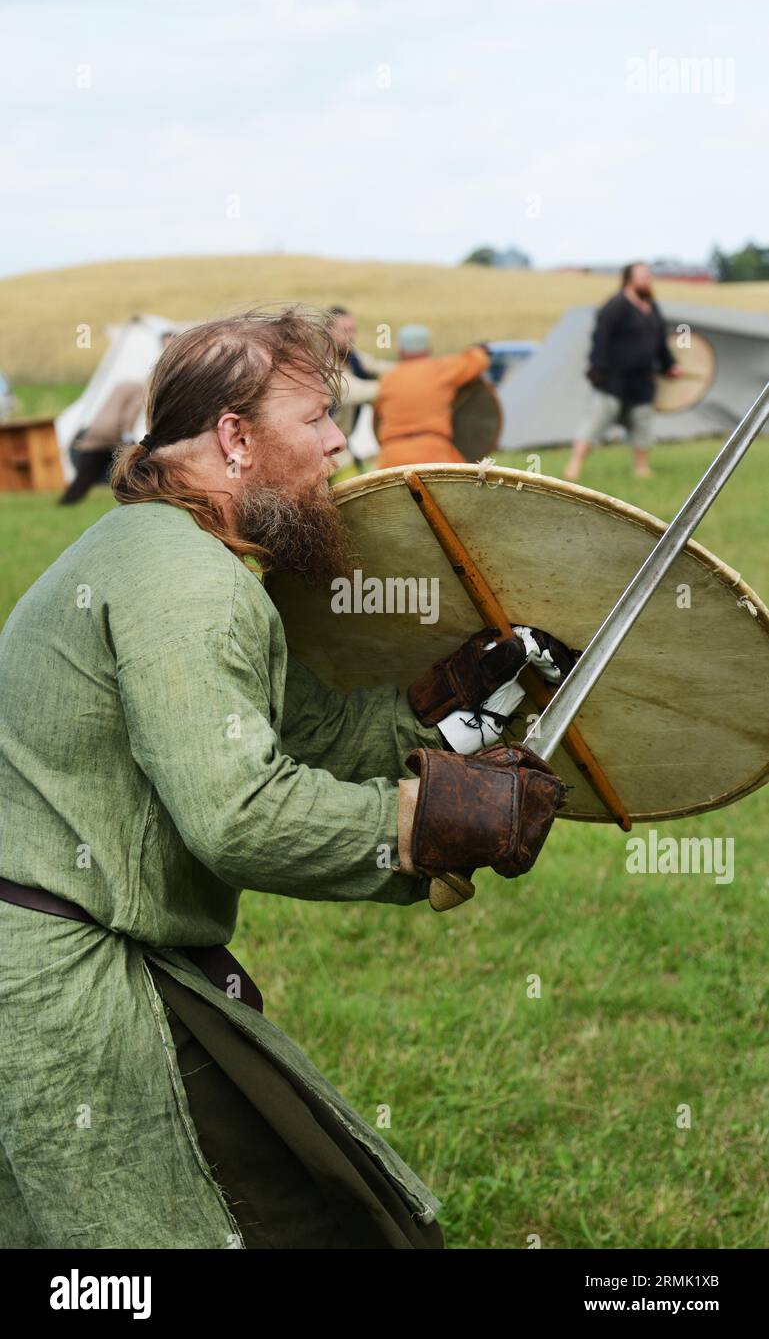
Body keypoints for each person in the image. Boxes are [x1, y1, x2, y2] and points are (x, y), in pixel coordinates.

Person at [0, 308, 571, 1250]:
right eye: (316, 418)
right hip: (67, 989)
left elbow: (306, 727)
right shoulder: (188, 580)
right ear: (235, 437)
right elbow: (238, 811)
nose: (343, 441)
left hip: (75, 947)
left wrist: (445, 702)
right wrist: (428, 824)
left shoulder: (165, 552)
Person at [564, 262, 682, 481]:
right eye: (643, 277)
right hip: (613, 380)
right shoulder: (615, 306)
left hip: (642, 380)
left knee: (642, 425)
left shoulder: (652, 308)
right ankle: (573, 468)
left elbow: (659, 343)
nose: (648, 281)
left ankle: (641, 469)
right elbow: (600, 338)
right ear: (629, 279)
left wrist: (669, 365)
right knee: (595, 422)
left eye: (649, 276)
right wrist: (597, 369)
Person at [59, 330, 176, 505]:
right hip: (111, 435)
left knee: (90, 473)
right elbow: (128, 415)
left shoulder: (123, 385)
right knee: (126, 466)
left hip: (97, 432)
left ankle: (70, 501)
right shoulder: (140, 388)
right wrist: (127, 434)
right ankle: (135, 495)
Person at [375, 325, 490, 468]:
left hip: (391, 457)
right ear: (428, 349)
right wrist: (478, 350)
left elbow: (377, 416)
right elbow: (477, 362)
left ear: (400, 351)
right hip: (432, 453)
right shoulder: (440, 369)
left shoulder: (387, 378)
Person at [327, 305, 390, 472]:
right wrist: (399, 387)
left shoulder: (353, 358)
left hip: (344, 447)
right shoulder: (322, 366)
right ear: (328, 332)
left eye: (353, 330)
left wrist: (418, 371)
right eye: (345, 331)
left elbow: (381, 367)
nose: (351, 337)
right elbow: (355, 390)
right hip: (324, 453)